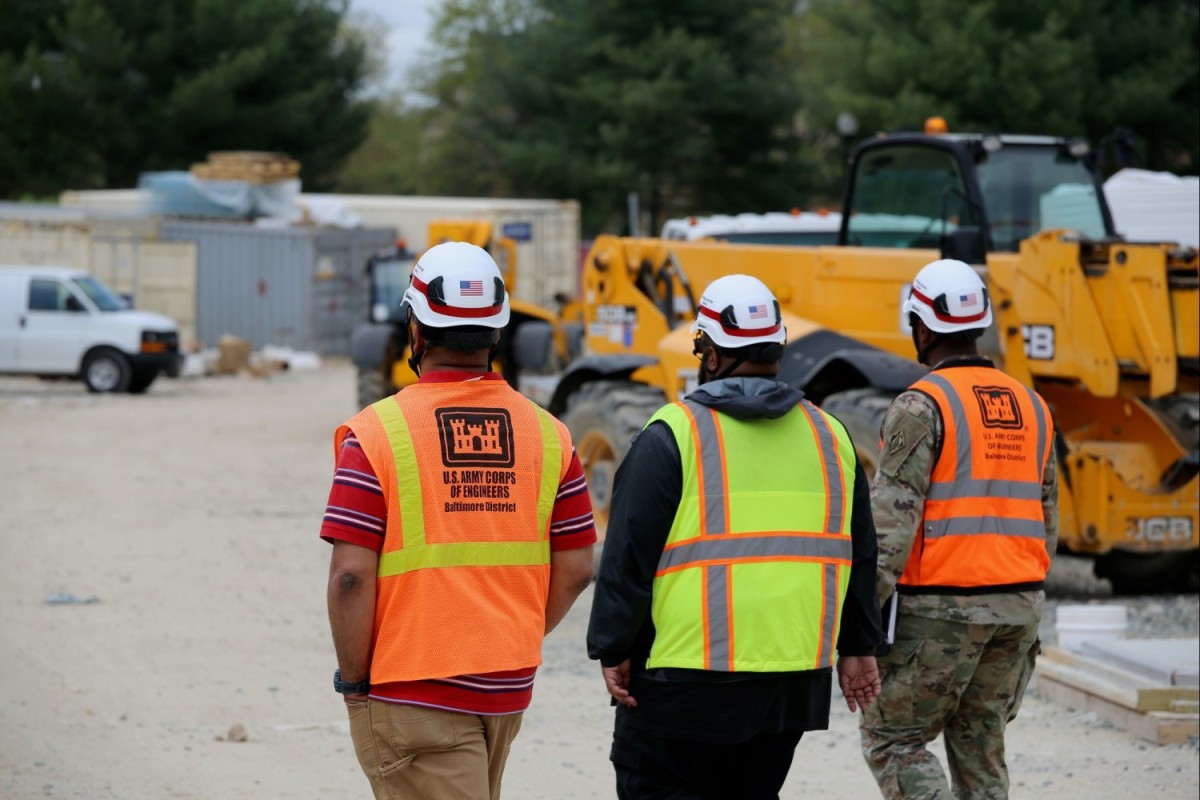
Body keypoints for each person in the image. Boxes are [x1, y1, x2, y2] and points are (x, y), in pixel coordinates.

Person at [587, 274, 884, 800]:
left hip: (684, 680)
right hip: (790, 681)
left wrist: (613, 646)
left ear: (707, 350)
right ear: (778, 345)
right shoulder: (829, 435)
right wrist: (858, 645)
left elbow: (628, 554)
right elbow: (860, 552)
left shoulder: (673, 433)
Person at [321, 241, 596, 800]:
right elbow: (576, 569)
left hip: (413, 690)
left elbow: (351, 576)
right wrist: (503, 637)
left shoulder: (377, 434)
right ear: (496, 335)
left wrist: (354, 683)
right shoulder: (551, 435)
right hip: (505, 690)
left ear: (416, 333)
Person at [859, 258, 1058, 799]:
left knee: (894, 739)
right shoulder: (1033, 406)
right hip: (1018, 610)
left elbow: (891, 525)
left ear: (920, 327)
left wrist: (858, 619)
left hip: (941, 612)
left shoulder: (922, 405)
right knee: (980, 745)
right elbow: (1048, 521)